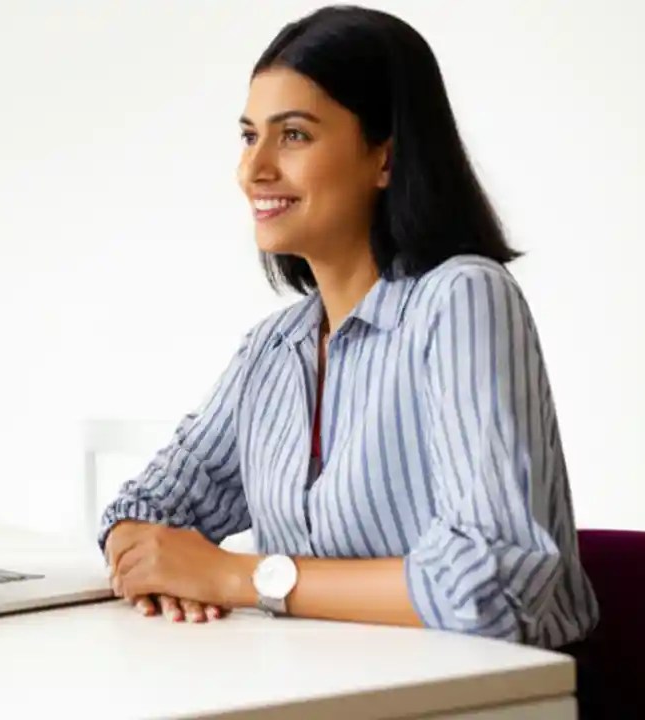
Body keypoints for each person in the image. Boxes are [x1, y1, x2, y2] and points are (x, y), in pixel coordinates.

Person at [99, 4, 599, 657]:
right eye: (250, 136)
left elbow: (486, 587)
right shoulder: (273, 350)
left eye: (295, 135)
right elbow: (144, 510)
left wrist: (234, 576)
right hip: (322, 688)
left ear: (385, 158)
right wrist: (157, 564)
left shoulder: (462, 298)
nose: (254, 170)